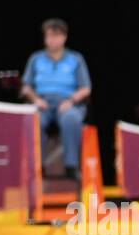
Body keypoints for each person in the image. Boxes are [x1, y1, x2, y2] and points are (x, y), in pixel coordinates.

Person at [20, 18, 92, 180]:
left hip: (67, 103)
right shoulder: (35, 59)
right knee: (34, 120)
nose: (52, 39)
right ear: (45, 38)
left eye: (56, 36)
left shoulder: (76, 59)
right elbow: (26, 87)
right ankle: (38, 166)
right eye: (49, 36)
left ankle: (71, 166)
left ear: (64, 37)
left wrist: (71, 101)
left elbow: (86, 88)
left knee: (71, 118)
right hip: (43, 103)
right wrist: (35, 99)